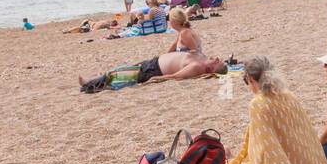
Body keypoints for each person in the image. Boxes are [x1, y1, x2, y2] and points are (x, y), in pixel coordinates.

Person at [221, 56, 327, 164]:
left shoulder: (258, 103)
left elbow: (265, 148)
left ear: (251, 80)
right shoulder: (288, 95)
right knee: (228, 156)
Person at [78, 51, 226, 93]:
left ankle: (89, 84)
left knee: (120, 75)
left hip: (153, 70)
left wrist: (155, 78)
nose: (218, 58)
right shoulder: (202, 59)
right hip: (153, 63)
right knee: (122, 72)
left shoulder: (196, 67)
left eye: (218, 62)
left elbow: (175, 76)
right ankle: (99, 79)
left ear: (211, 69)